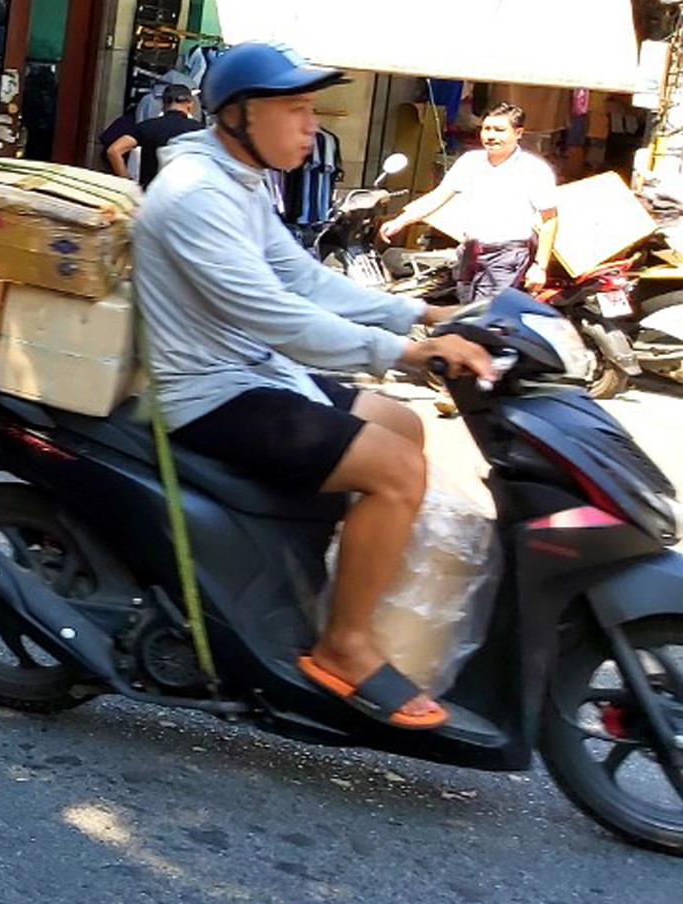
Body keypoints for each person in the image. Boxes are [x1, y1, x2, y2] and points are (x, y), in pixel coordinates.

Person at [135, 41, 495, 731]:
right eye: (296, 110)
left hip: (253, 372)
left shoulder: (237, 180)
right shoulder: (195, 195)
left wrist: (420, 310)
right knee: (397, 471)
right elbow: (274, 315)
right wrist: (408, 351)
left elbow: (302, 277)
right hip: (209, 393)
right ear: (239, 115)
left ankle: (321, 582)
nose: (311, 126)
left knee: (405, 426)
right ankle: (344, 645)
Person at [380, 103, 559, 299]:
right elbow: (438, 196)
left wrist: (540, 266)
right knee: (465, 311)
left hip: (506, 255)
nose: (491, 136)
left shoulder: (533, 170)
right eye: (486, 129)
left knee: (486, 316)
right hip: (469, 251)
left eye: (499, 130)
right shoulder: (470, 162)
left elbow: (549, 219)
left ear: (518, 133)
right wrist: (400, 221)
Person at [105, 83, 200, 188]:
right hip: (184, 196)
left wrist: (127, 181)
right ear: (190, 105)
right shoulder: (200, 132)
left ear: (163, 104)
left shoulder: (147, 127)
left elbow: (113, 151)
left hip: (149, 196)